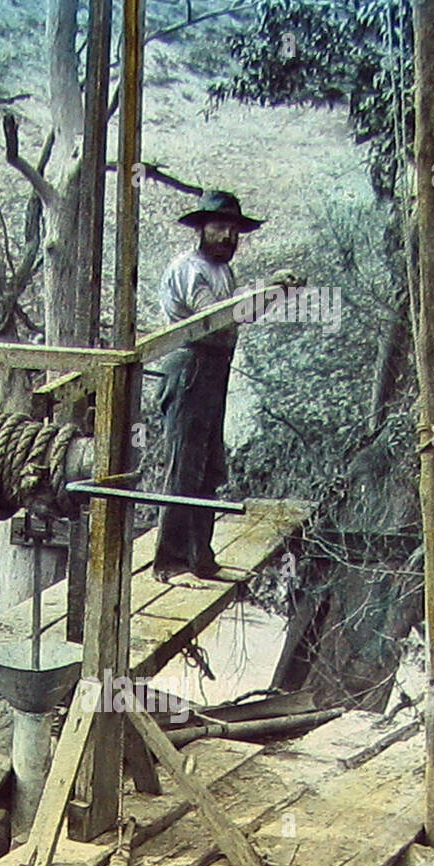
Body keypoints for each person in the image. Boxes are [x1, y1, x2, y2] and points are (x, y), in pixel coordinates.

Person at [153, 190, 263, 583]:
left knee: (208, 468)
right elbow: (212, 317)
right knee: (184, 465)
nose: (228, 236)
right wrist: (257, 298)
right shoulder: (191, 269)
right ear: (201, 229)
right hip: (190, 366)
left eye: (234, 229)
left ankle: (200, 555)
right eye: (219, 227)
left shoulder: (223, 271)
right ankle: (169, 559)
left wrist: (272, 295)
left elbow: (235, 317)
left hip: (216, 368)